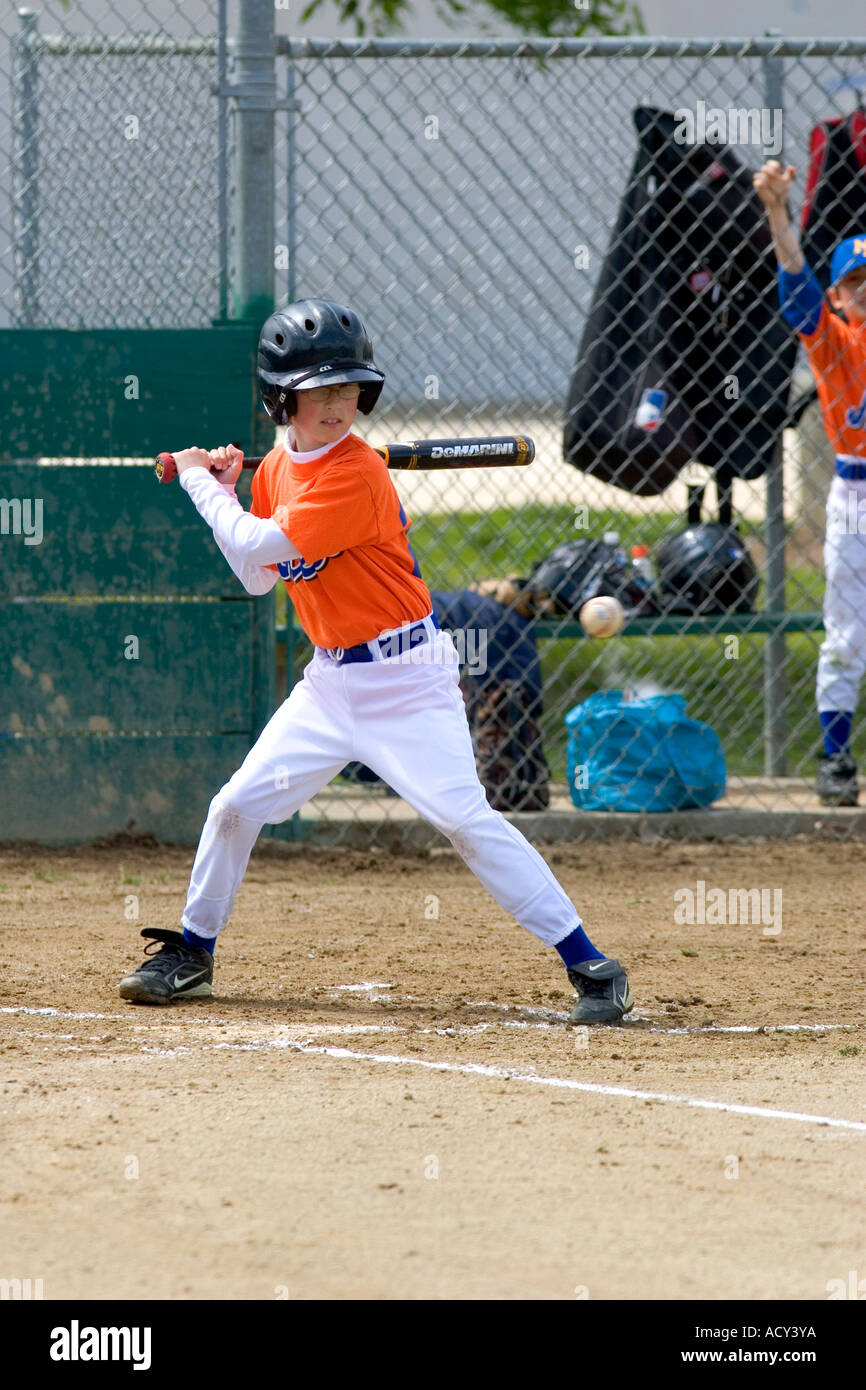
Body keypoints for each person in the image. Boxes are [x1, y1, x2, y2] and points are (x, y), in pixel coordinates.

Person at [118, 299, 634, 1025]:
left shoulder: (357, 474)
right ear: (280, 398)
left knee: (464, 819)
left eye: (347, 388)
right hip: (330, 686)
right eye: (317, 390)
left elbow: (262, 549)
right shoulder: (278, 476)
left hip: (408, 681)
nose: (336, 404)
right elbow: (257, 576)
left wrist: (202, 483)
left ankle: (591, 966)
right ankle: (193, 953)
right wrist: (233, 491)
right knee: (234, 807)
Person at [754, 161, 866, 806]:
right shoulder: (834, 342)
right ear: (839, 298)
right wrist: (777, 211)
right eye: (855, 283)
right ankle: (836, 757)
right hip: (854, 495)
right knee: (847, 631)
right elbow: (796, 290)